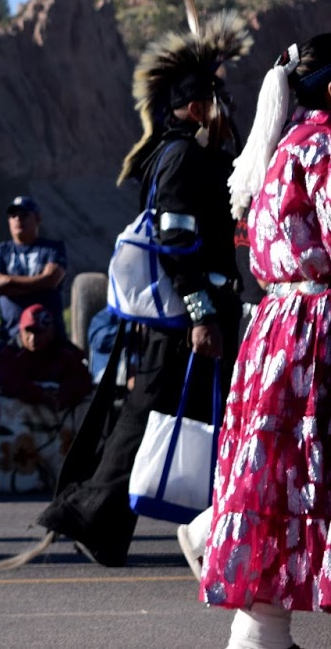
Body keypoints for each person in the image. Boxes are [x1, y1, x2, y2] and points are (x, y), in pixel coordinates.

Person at [0, 11, 249, 571]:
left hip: (191, 318)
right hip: (186, 322)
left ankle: (113, 524)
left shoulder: (189, 153)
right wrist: (201, 313)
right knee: (151, 419)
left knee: (170, 416)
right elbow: (176, 240)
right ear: (196, 108)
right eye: (220, 100)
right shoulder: (182, 156)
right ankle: (99, 518)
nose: (228, 108)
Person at [198, 34, 331, 649]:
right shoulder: (325, 143)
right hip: (317, 328)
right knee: (307, 469)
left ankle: (259, 634)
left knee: (279, 476)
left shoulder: (284, 146)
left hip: (278, 330)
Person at [0, 306, 93, 495]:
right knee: (9, 404)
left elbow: (82, 381)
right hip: (26, 409)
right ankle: (20, 481)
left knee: (88, 405)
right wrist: (41, 395)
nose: (33, 338)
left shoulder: (67, 352)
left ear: (51, 332)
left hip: (61, 409)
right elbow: (10, 383)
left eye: (39, 332)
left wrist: (62, 396)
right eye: (28, 332)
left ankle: (72, 478)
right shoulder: (10, 352)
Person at [0, 196, 69, 349]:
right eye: (13, 215)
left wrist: (8, 282)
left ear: (37, 218)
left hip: (51, 341)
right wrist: (40, 283)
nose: (18, 219)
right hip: (11, 339)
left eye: (23, 215)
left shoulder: (53, 248)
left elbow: (51, 280)